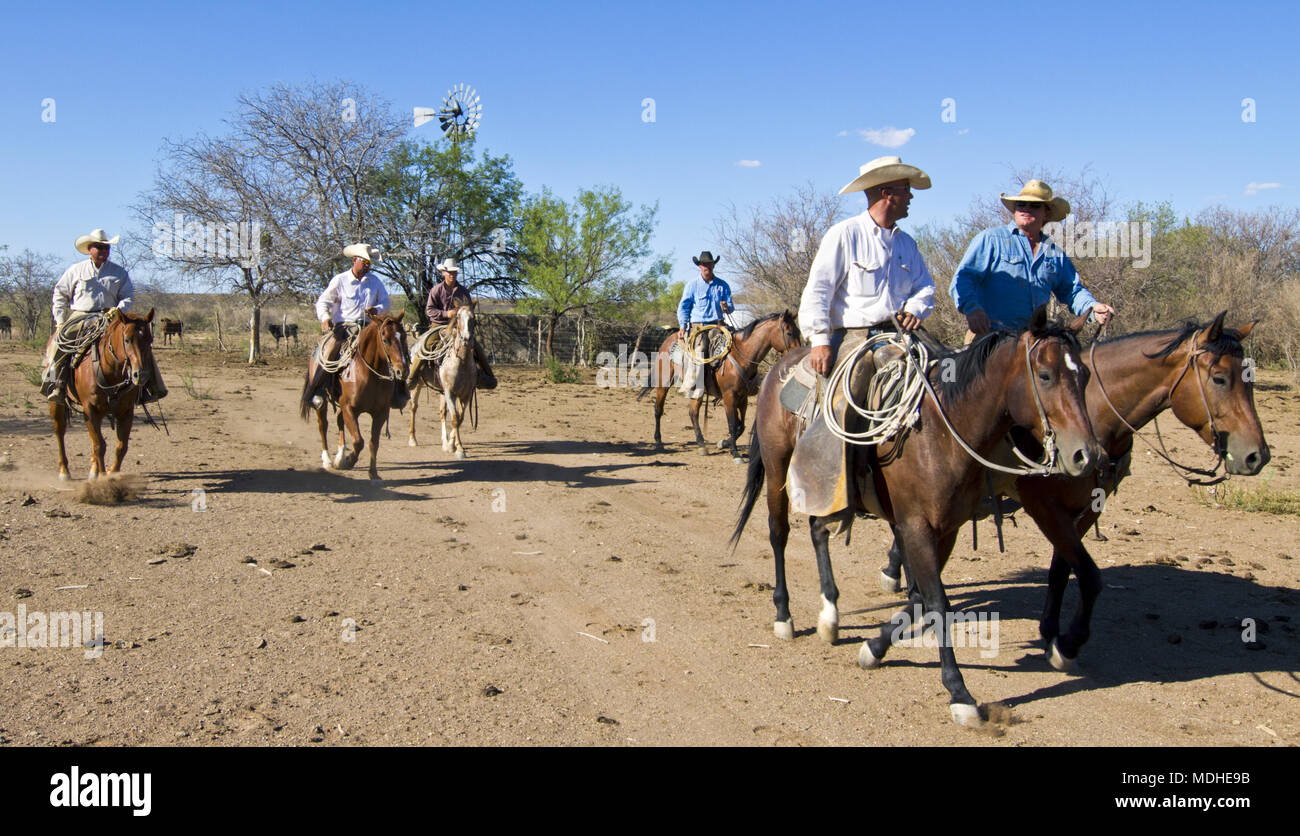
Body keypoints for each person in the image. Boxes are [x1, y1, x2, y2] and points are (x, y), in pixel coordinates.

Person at [798, 156, 936, 376]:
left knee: (949, 375)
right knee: (841, 401)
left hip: (902, 335)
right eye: (906, 189)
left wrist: (914, 308)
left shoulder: (907, 244)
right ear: (887, 193)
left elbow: (925, 287)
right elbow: (819, 289)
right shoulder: (844, 234)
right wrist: (819, 340)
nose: (910, 196)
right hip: (855, 337)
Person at [950, 179, 1115, 343]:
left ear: (1047, 213)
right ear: (1015, 209)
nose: (1026, 209)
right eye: (1021, 204)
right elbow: (964, 278)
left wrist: (1093, 308)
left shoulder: (1055, 253)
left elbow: (1072, 290)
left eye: (1035, 205)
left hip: (1034, 343)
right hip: (990, 338)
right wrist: (972, 309)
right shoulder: (991, 239)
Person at [41, 228, 168, 405]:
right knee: (58, 343)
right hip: (80, 316)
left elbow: (128, 296)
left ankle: (150, 387)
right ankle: (56, 384)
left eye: (106, 248)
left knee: (139, 342)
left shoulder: (119, 272)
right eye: (99, 248)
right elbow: (60, 294)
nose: (103, 251)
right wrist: (60, 321)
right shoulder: (75, 270)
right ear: (89, 249)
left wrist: (118, 309)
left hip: (111, 317)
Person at [306, 243, 409, 409]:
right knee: (331, 351)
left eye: (369, 263)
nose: (367, 265)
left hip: (370, 327)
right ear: (354, 260)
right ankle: (317, 389)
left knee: (394, 347)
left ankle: (398, 391)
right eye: (364, 262)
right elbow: (323, 301)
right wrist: (325, 318)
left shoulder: (375, 282)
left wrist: (377, 309)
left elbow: (385, 302)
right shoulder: (340, 280)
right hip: (345, 326)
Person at [415, 258, 496, 389]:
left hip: (459, 327)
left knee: (476, 347)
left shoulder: (463, 292)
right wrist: (446, 314)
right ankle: (413, 376)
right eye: (449, 272)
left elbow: (469, 310)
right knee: (426, 345)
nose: (452, 275)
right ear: (443, 273)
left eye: (454, 272)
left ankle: (487, 377)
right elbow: (429, 310)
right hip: (438, 325)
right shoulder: (436, 290)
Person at [676, 251, 734, 396]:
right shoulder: (692, 285)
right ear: (700, 266)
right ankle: (694, 383)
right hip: (699, 327)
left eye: (709, 263)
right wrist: (683, 326)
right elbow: (684, 307)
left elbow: (731, 307)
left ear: (713, 265)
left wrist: (726, 307)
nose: (707, 266)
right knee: (700, 350)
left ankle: (735, 383)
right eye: (704, 264)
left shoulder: (723, 285)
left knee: (734, 347)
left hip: (719, 325)